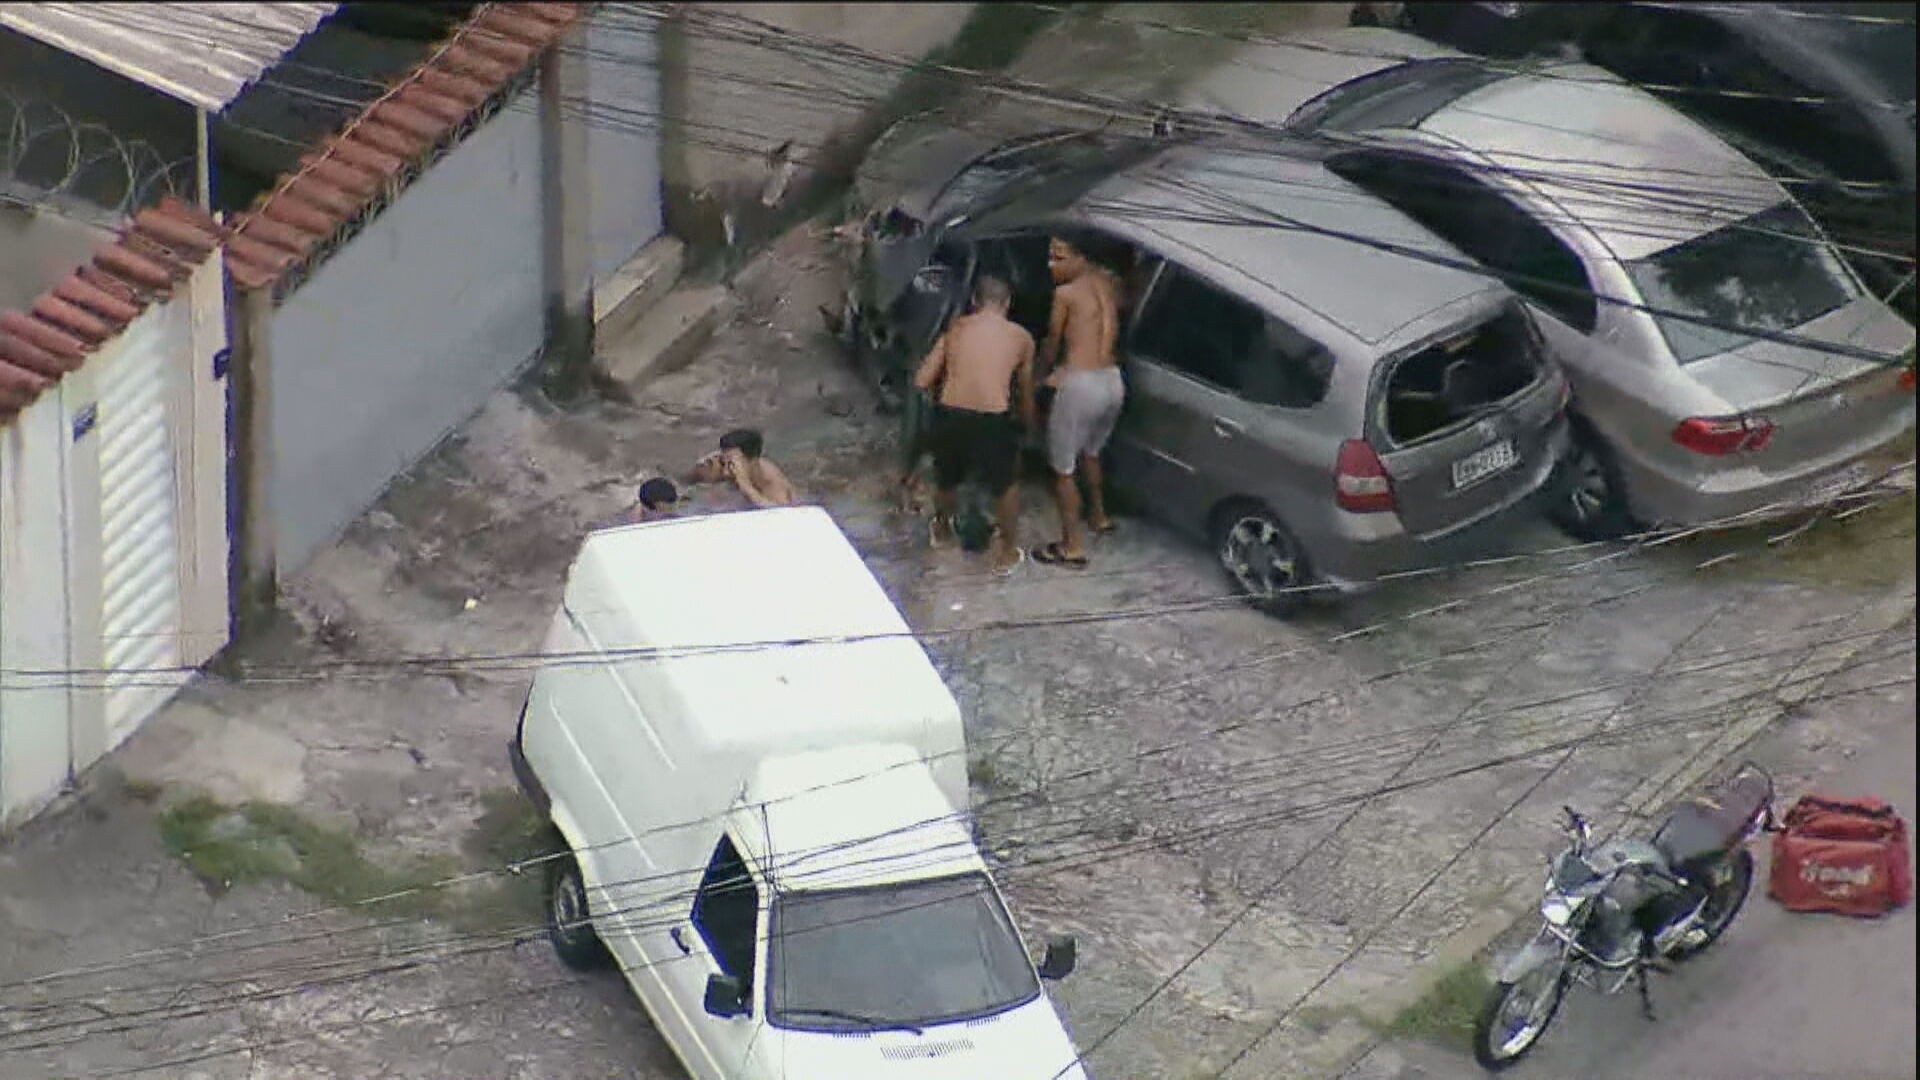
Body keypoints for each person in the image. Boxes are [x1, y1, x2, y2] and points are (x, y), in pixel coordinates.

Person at [913, 274, 1035, 576]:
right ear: (1007, 303)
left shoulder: (956, 329)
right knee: (1005, 484)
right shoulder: (1021, 337)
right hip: (993, 416)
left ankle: (941, 529)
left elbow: (922, 380)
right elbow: (1026, 390)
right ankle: (1007, 552)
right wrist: (1027, 425)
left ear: (974, 302)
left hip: (951, 411)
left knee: (947, 477)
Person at [1032, 235, 1124, 569]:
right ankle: (1099, 515)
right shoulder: (1107, 283)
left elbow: (1053, 340)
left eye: (1058, 258)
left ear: (1079, 258)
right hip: (1112, 380)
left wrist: (1041, 376)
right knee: (1092, 451)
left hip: (1081, 384)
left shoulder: (1065, 294)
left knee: (1063, 468)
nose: (1050, 265)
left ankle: (1071, 545)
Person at [688, 428, 796, 508]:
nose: (725, 472)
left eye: (731, 464)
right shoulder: (729, 468)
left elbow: (782, 517)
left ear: (752, 459)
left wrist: (746, 487)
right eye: (723, 462)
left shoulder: (772, 483)